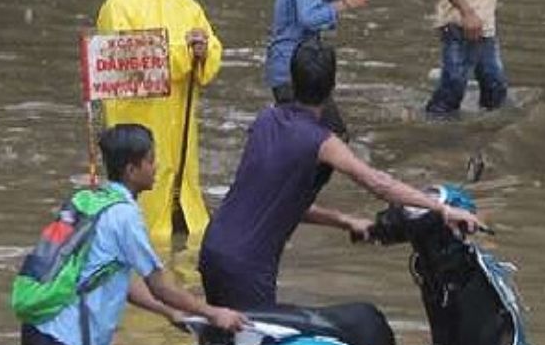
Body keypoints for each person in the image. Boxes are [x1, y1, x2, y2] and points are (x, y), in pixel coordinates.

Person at [200, 40, 482, 309]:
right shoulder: (322, 141)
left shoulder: (265, 120)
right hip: (247, 265)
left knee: (225, 343)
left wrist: (344, 221)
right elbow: (378, 184)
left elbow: (276, 201)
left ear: (293, 81)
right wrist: (442, 209)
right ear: (332, 87)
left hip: (213, 249)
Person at [21, 124, 246, 345]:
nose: (156, 167)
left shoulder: (89, 199)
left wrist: (168, 313)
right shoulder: (125, 216)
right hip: (61, 343)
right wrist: (214, 313)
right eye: (151, 160)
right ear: (131, 169)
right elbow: (161, 286)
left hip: (42, 332)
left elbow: (117, 280)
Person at [97, 0, 222, 241]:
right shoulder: (120, 2)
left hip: (179, 121)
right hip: (140, 119)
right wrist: (184, 54)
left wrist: (203, 49)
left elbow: (211, 45)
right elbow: (128, 63)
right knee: (144, 204)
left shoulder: (183, 0)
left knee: (182, 198)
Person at [264, 0, 372, 194]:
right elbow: (310, 14)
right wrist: (347, 4)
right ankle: (290, 199)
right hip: (292, 68)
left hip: (299, 66)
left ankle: (290, 196)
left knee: (318, 141)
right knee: (330, 138)